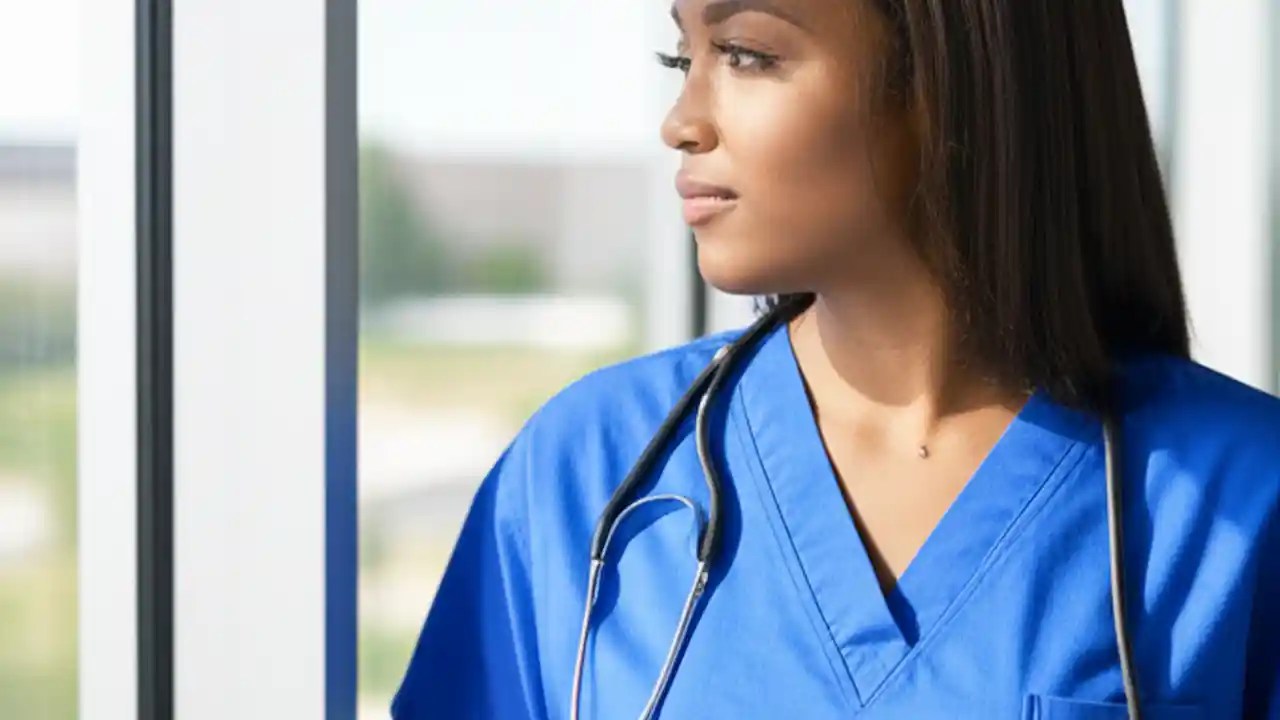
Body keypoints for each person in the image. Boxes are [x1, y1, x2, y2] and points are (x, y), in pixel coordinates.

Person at [390, 1, 1280, 717]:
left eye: (745, 54)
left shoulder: (1241, 496)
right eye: (681, 58)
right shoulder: (583, 472)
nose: (682, 120)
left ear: (946, 77)